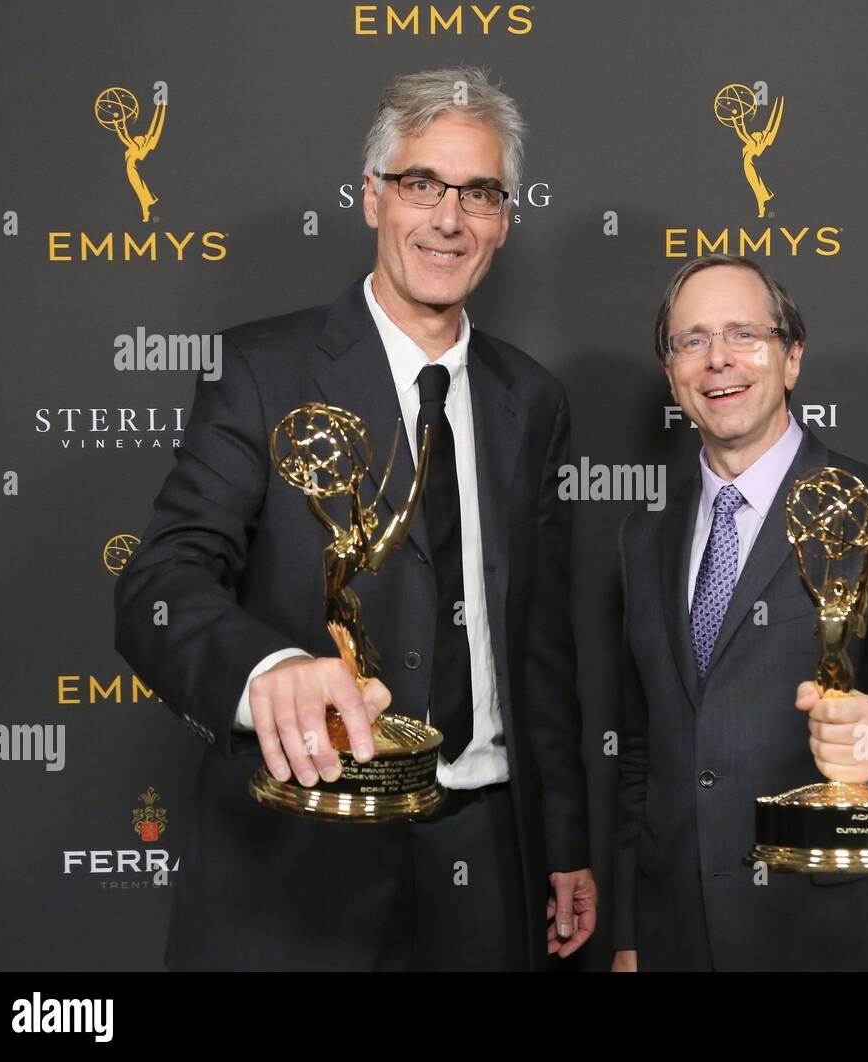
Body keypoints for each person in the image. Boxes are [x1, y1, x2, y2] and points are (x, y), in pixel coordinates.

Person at [115, 66, 595, 971]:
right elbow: (160, 587)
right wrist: (269, 667)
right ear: (374, 197)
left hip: (487, 859)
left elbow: (539, 648)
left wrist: (563, 839)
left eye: (480, 193)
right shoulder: (261, 371)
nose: (449, 219)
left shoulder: (531, 399)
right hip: (301, 858)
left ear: (503, 218)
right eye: (422, 184)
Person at [611, 255, 868, 971]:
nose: (719, 359)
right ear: (671, 371)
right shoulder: (644, 533)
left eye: (745, 334)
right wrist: (630, 934)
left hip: (832, 932)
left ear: (792, 358)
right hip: (677, 936)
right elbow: (641, 756)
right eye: (692, 340)